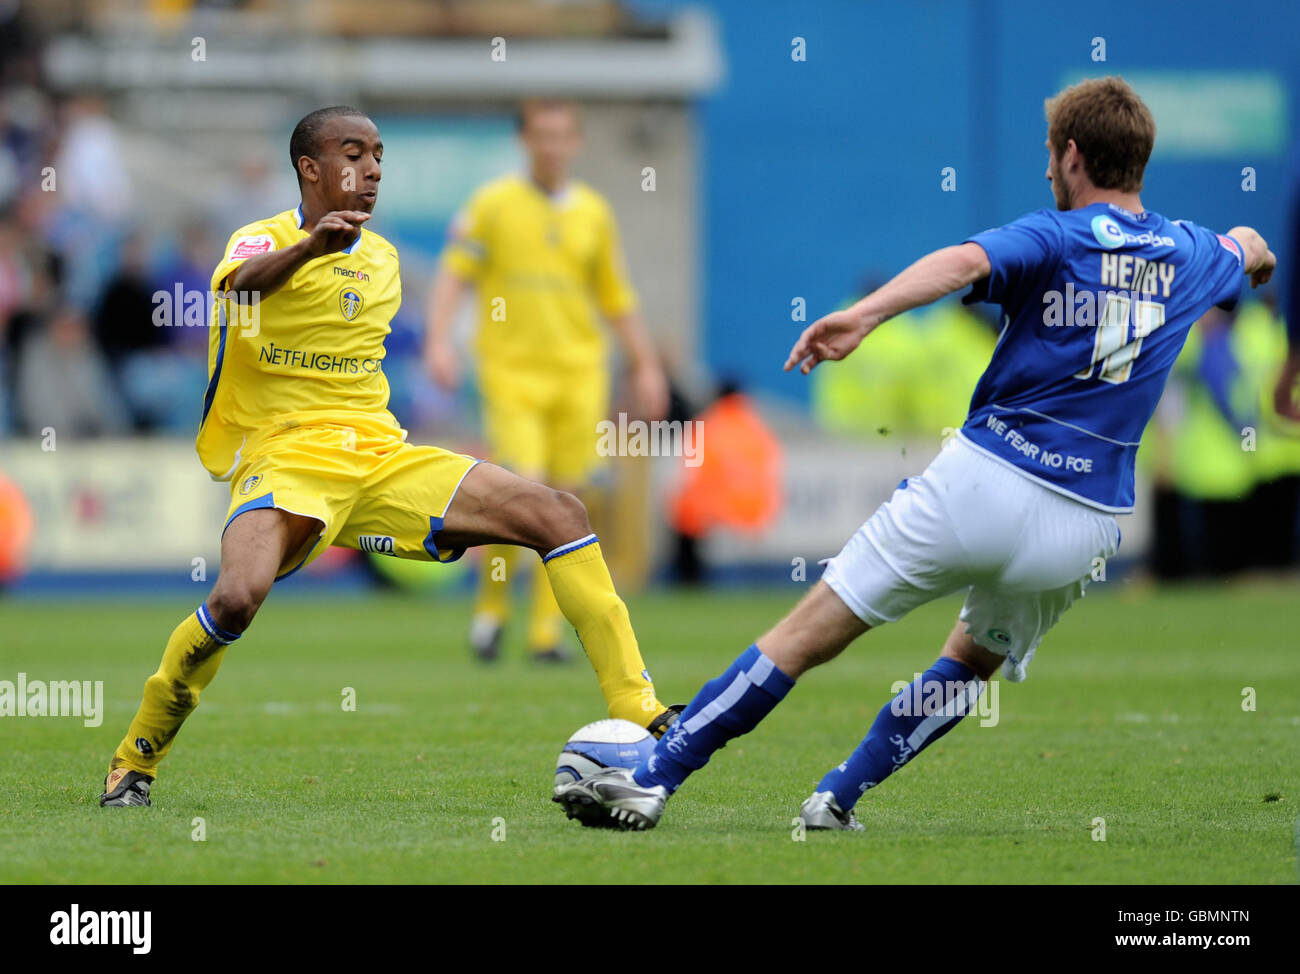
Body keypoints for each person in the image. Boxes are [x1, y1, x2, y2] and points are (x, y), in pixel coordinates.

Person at [554, 76, 1276, 831]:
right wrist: (1254, 262)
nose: (1045, 171)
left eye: (1048, 156)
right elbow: (1247, 246)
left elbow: (963, 262)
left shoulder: (1055, 235)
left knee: (802, 637)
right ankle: (839, 796)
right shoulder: (1193, 250)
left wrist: (863, 315)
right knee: (969, 664)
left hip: (989, 480)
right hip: (1086, 526)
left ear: (1071, 157)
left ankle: (657, 774)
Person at [99, 106, 679, 808]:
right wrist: (310, 248)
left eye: (378, 155)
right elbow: (236, 295)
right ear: (310, 169)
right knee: (237, 596)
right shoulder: (259, 240)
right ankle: (137, 756)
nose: (372, 169)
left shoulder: (383, 261)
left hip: (376, 453)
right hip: (285, 458)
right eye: (353, 153)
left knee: (559, 511)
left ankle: (644, 709)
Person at [424, 98, 668, 663]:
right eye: (542, 135)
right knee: (520, 491)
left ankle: (544, 632)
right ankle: (490, 612)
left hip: (579, 372)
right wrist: (438, 340)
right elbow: (454, 275)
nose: (552, 145)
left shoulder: (593, 213)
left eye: (562, 135)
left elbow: (616, 297)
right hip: (511, 373)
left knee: (565, 501)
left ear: (576, 142)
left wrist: (646, 364)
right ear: (524, 141)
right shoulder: (492, 205)